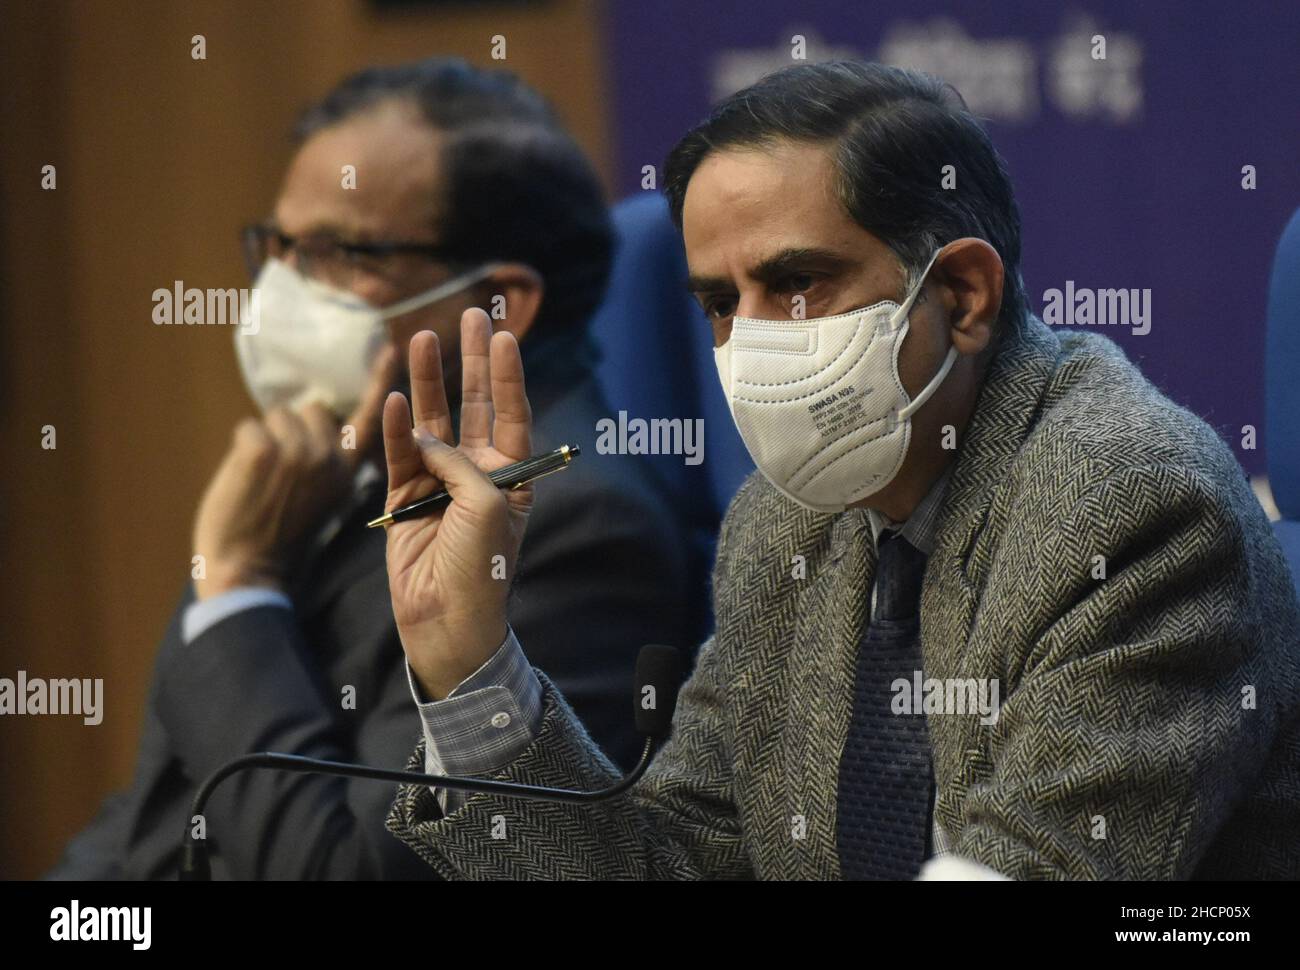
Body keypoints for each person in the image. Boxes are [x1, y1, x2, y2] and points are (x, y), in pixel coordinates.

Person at [382, 61, 1300, 880]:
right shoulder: (780, 522)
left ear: (961, 296)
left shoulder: (1129, 499)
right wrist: (470, 662)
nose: (748, 341)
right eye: (718, 303)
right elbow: (672, 862)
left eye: (795, 284)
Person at [48, 57, 695, 881]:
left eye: (338, 251)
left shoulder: (571, 521)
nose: (282, 290)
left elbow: (354, 870)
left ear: (500, 302)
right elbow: (154, 822)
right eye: (277, 248)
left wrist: (239, 583)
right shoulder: (321, 472)